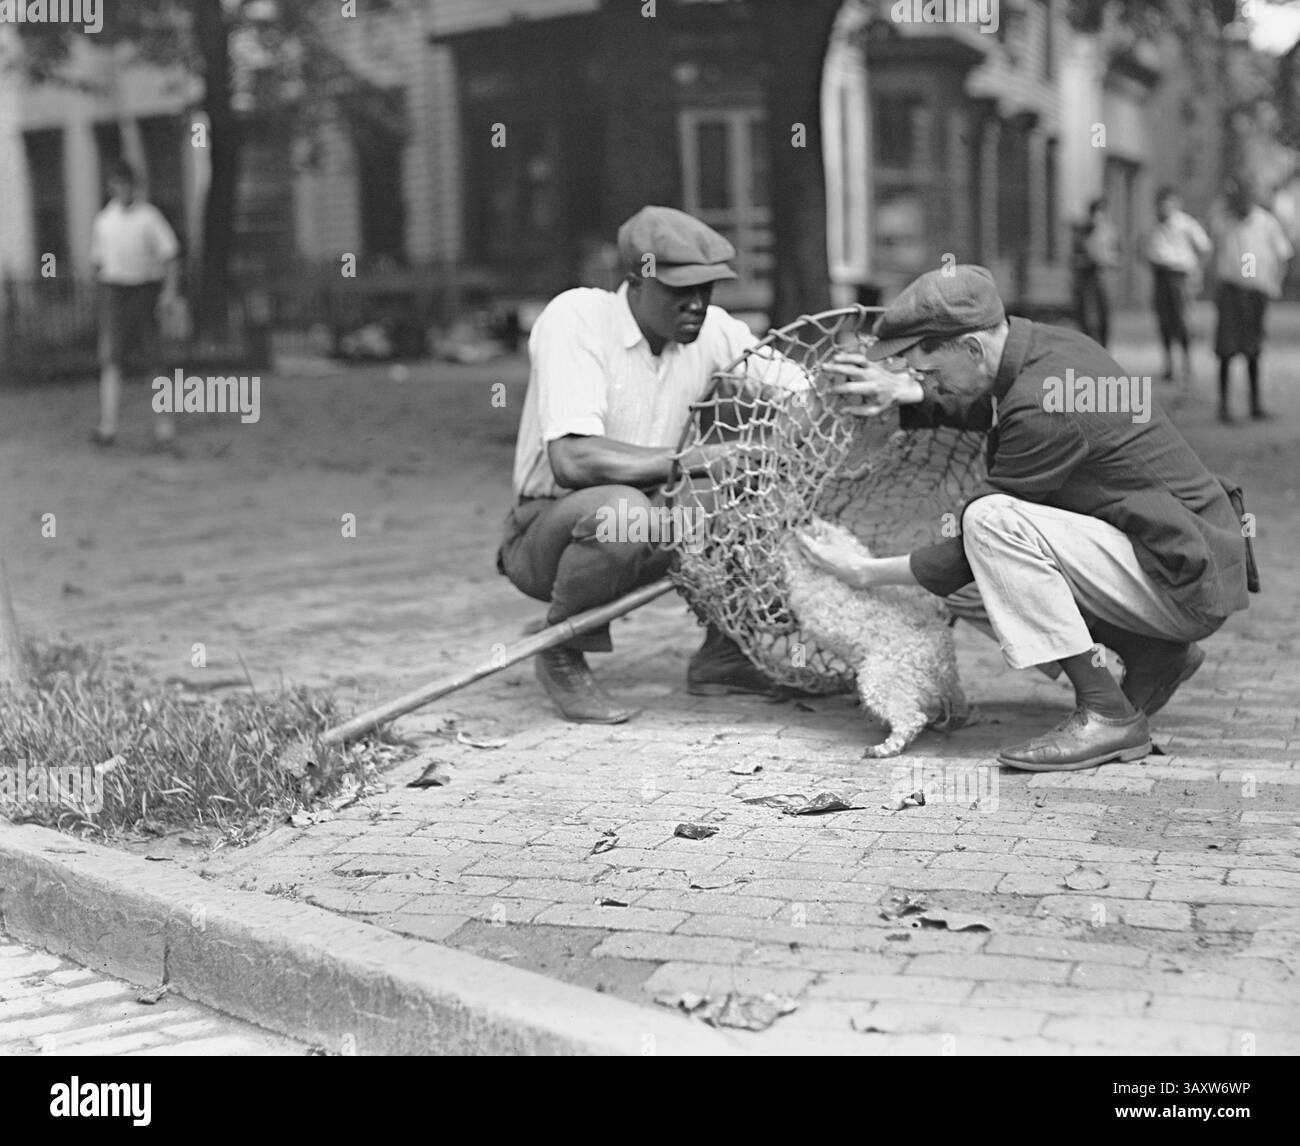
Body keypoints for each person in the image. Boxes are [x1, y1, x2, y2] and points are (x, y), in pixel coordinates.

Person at [795, 264, 1252, 772]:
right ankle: (1153, 653)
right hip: (1177, 558)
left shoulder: (1042, 402)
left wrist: (860, 571)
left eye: (931, 372)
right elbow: (1006, 405)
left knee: (989, 524)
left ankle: (1108, 713)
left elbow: (972, 541)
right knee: (972, 578)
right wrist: (917, 396)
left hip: (1181, 581)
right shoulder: (1050, 350)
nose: (928, 381)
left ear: (972, 348)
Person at [498, 205, 803, 724]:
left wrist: (851, 391)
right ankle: (562, 648)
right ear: (637, 279)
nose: (697, 304)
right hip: (550, 533)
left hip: (657, 527)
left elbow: (800, 391)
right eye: (680, 290)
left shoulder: (714, 331)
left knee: (738, 490)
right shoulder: (577, 318)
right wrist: (700, 458)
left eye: (706, 290)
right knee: (627, 509)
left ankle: (723, 656)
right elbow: (572, 460)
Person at [90, 160, 183, 451]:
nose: (122, 189)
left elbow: (170, 256)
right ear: (111, 187)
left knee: (154, 360)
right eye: (117, 183)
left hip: (144, 292)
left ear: (135, 186)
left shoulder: (149, 217)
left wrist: (169, 293)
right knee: (111, 359)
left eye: (127, 183)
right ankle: (108, 426)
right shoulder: (104, 220)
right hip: (115, 293)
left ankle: (164, 427)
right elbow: (97, 263)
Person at [1212, 178, 1293, 423]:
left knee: (1253, 348)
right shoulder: (1225, 221)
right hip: (1230, 291)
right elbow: (1212, 232)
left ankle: (1255, 404)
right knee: (1226, 349)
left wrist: (1275, 284)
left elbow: (1284, 254)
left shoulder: (1266, 223)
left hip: (1255, 293)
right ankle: (1224, 405)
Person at [1144, 186, 1211, 384]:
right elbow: (1141, 247)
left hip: (1180, 276)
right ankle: (1169, 365)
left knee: (1182, 321)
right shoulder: (1151, 225)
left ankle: (1187, 364)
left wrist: (1197, 273)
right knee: (1163, 321)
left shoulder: (1186, 224)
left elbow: (1205, 248)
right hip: (1160, 276)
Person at [1071, 197, 1120, 348]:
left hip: (1104, 279)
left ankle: (1105, 349)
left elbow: (1119, 257)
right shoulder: (1082, 234)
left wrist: (1106, 259)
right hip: (1087, 280)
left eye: (1101, 213)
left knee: (1105, 317)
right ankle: (1089, 350)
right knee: (1087, 318)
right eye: (1095, 213)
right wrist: (1087, 260)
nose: (1097, 217)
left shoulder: (1111, 233)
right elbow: (1074, 259)